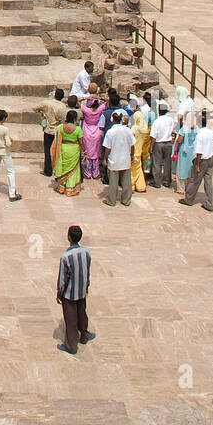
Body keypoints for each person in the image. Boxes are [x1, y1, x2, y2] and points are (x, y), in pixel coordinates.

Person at [56, 225, 95, 355]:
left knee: (71, 320)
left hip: (70, 294)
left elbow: (62, 279)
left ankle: (71, 346)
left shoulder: (66, 257)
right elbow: (88, 270)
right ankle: (84, 335)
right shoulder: (86, 252)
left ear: (68, 238)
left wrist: (59, 294)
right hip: (82, 290)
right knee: (82, 313)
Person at [180, 111, 213, 211]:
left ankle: (189, 199)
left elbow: (199, 151)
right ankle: (209, 203)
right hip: (210, 158)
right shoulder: (211, 132)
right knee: (208, 182)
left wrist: (197, 165)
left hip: (202, 160)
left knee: (195, 180)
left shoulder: (200, 135)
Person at [0, 109, 21, 201]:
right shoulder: (5, 129)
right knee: (10, 171)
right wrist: (11, 140)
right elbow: (8, 143)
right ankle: (12, 193)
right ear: (3, 118)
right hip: (5, 152)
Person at [103, 111, 134, 206]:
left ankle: (111, 200)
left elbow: (108, 148)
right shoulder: (127, 130)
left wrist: (104, 159)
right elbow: (132, 145)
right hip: (125, 158)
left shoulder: (110, 132)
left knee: (113, 182)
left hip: (114, 159)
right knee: (126, 182)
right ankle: (126, 200)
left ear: (112, 120)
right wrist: (132, 155)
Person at [52, 110, 83, 197]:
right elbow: (81, 141)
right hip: (73, 150)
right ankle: (70, 188)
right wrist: (84, 151)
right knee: (73, 169)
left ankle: (62, 187)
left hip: (63, 149)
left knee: (64, 167)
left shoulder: (61, 127)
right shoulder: (78, 129)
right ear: (74, 118)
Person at [80, 85, 106, 179]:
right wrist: (99, 97)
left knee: (87, 152)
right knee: (95, 153)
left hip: (87, 131)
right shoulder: (99, 110)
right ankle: (95, 172)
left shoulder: (86, 110)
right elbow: (107, 102)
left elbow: (77, 101)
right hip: (97, 131)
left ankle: (87, 172)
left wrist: (86, 97)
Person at [40, 87, 66, 178]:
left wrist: (43, 113)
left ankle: (48, 170)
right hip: (58, 130)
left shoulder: (47, 103)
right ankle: (57, 168)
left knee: (47, 150)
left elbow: (35, 108)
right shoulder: (63, 106)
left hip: (48, 130)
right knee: (58, 149)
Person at [149, 103, 174, 188]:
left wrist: (151, 146)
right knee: (167, 163)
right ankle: (167, 181)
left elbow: (153, 135)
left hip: (159, 143)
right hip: (168, 143)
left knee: (157, 163)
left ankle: (157, 182)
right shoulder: (170, 120)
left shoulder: (157, 121)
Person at [172, 113, 197, 195]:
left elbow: (180, 140)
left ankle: (181, 188)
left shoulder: (184, 128)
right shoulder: (197, 129)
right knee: (189, 169)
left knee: (181, 169)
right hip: (192, 150)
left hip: (184, 151)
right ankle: (187, 187)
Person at [128, 97, 147, 192]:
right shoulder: (144, 128)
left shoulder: (134, 129)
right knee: (138, 169)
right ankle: (140, 186)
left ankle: (131, 185)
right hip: (140, 151)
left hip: (134, 151)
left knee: (133, 171)